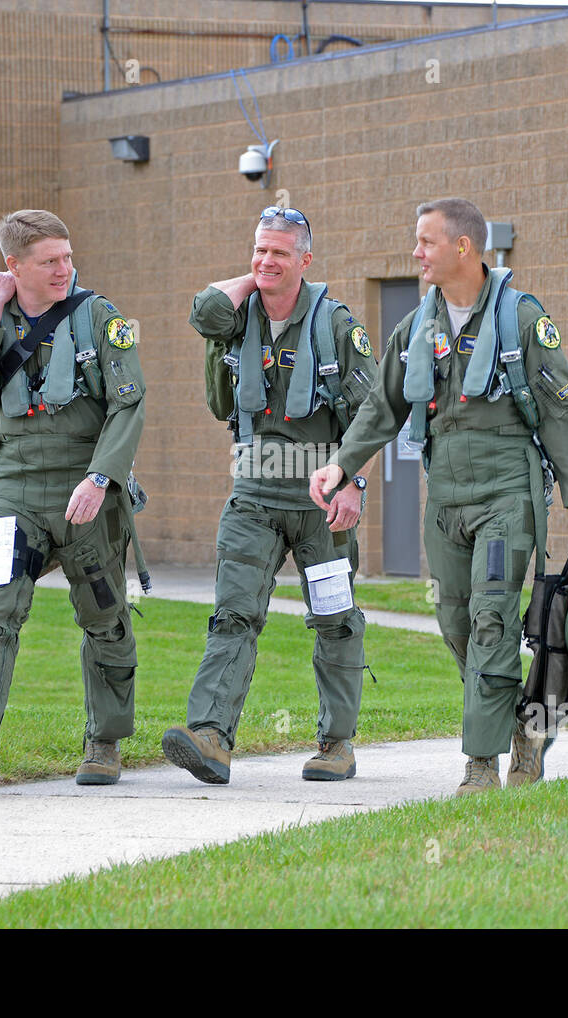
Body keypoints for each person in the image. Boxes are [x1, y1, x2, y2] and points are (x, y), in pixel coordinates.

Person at [310, 198, 568, 794]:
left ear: (463, 247)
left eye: (426, 242)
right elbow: (383, 406)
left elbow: (563, 410)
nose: (416, 253)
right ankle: (527, 722)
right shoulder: (417, 325)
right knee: (455, 622)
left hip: (506, 492)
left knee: (491, 619)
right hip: (443, 494)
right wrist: (341, 465)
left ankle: (481, 763)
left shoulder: (523, 319)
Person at [0, 209, 145, 794]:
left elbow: (129, 403)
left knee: (103, 615)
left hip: (84, 487)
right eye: (50, 261)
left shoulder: (100, 317)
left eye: (68, 257)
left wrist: (101, 479)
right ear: (14, 265)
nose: (65, 269)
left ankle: (105, 742)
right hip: (12, 486)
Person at [161, 206, 376, 785]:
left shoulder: (335, 325)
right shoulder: (237, 315)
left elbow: (372, 413)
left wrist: (354, 483)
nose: (266, 261)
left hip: (321, 504)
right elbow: (201, 312)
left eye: (280, 253)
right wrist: (251, 278)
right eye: (259, 250)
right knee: (233, 615)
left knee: (335, 621)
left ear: (306, 261)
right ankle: (210, 737)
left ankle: (337, 744)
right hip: (253, 494)